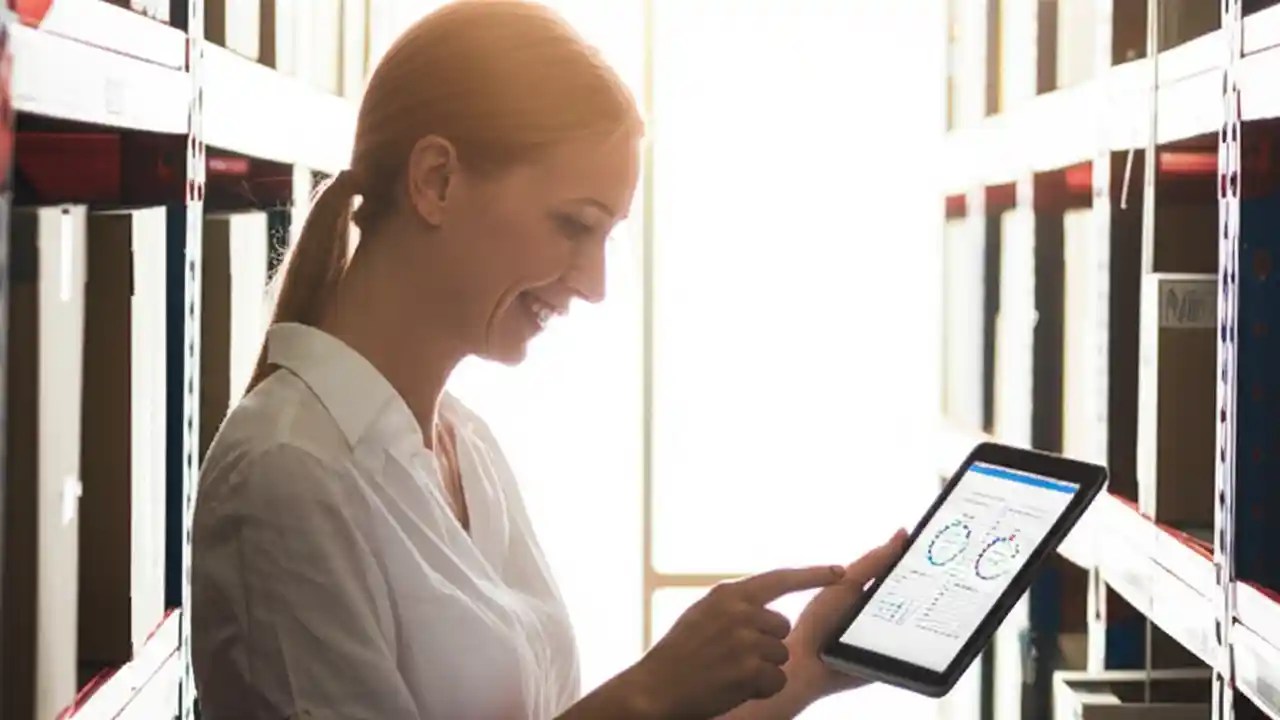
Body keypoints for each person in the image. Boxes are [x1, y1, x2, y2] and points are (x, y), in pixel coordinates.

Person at [190, 1, 906, 718]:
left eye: (606, 237)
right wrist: (650, 691)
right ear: (437, 181)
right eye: (574, 224)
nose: (594, 285)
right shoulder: (289, 475)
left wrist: (801, 668)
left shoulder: (462, 445)